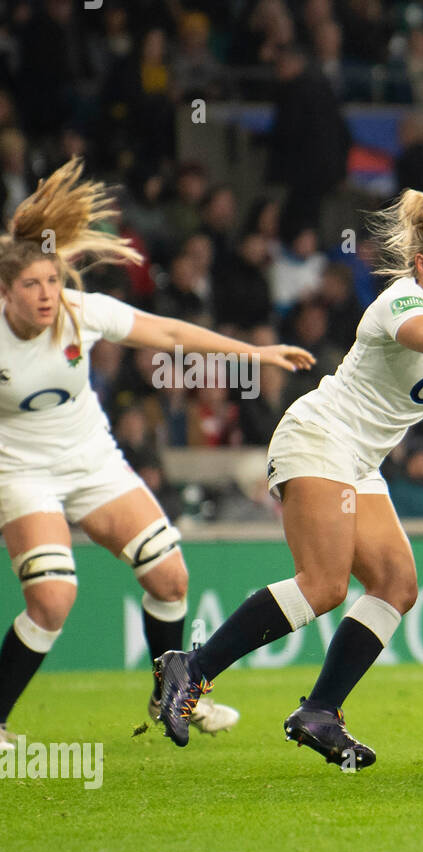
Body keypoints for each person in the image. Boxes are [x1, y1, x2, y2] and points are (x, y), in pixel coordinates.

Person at [154, 191, 423, 766]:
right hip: (318, 437)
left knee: (398, 585)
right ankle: (191, 669)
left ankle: (319, 711)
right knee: (324, 584)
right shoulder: (400, 302)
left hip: (359, 461)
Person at [0, 158, 313, 750]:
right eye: (31, 286)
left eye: (52, 281)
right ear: (5, 291)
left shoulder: (79, 312)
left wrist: (254, 354)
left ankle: (170, 694)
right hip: (21, 473)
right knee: (52, 597)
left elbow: (169, 334)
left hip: (92, 461)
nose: (47, 296)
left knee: (169, 575)